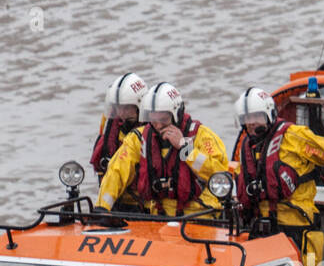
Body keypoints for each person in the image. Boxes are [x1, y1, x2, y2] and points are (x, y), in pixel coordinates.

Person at [231, 86, 324, 266]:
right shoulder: (248, 148)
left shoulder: (295, 137)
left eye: (257, 117)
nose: (251, 123)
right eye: (246, 118)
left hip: (298, 224)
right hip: (263, 227)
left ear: (269, 114)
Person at [97, 82, 228, 216]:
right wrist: (103, 207)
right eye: (153, 120)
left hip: (200, 215)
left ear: (177, 114)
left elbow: (221, 175)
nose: (159, 126)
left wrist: (186, 149)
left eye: (163, 119)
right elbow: (116, 171)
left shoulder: (202, 136)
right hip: (158, 218)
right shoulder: (138, 138)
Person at [89, 72, 147, 182]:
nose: (121, 113)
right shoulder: (110, 130)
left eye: (126, 108)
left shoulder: (156, 130)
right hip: (116, 193)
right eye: (117, 108)